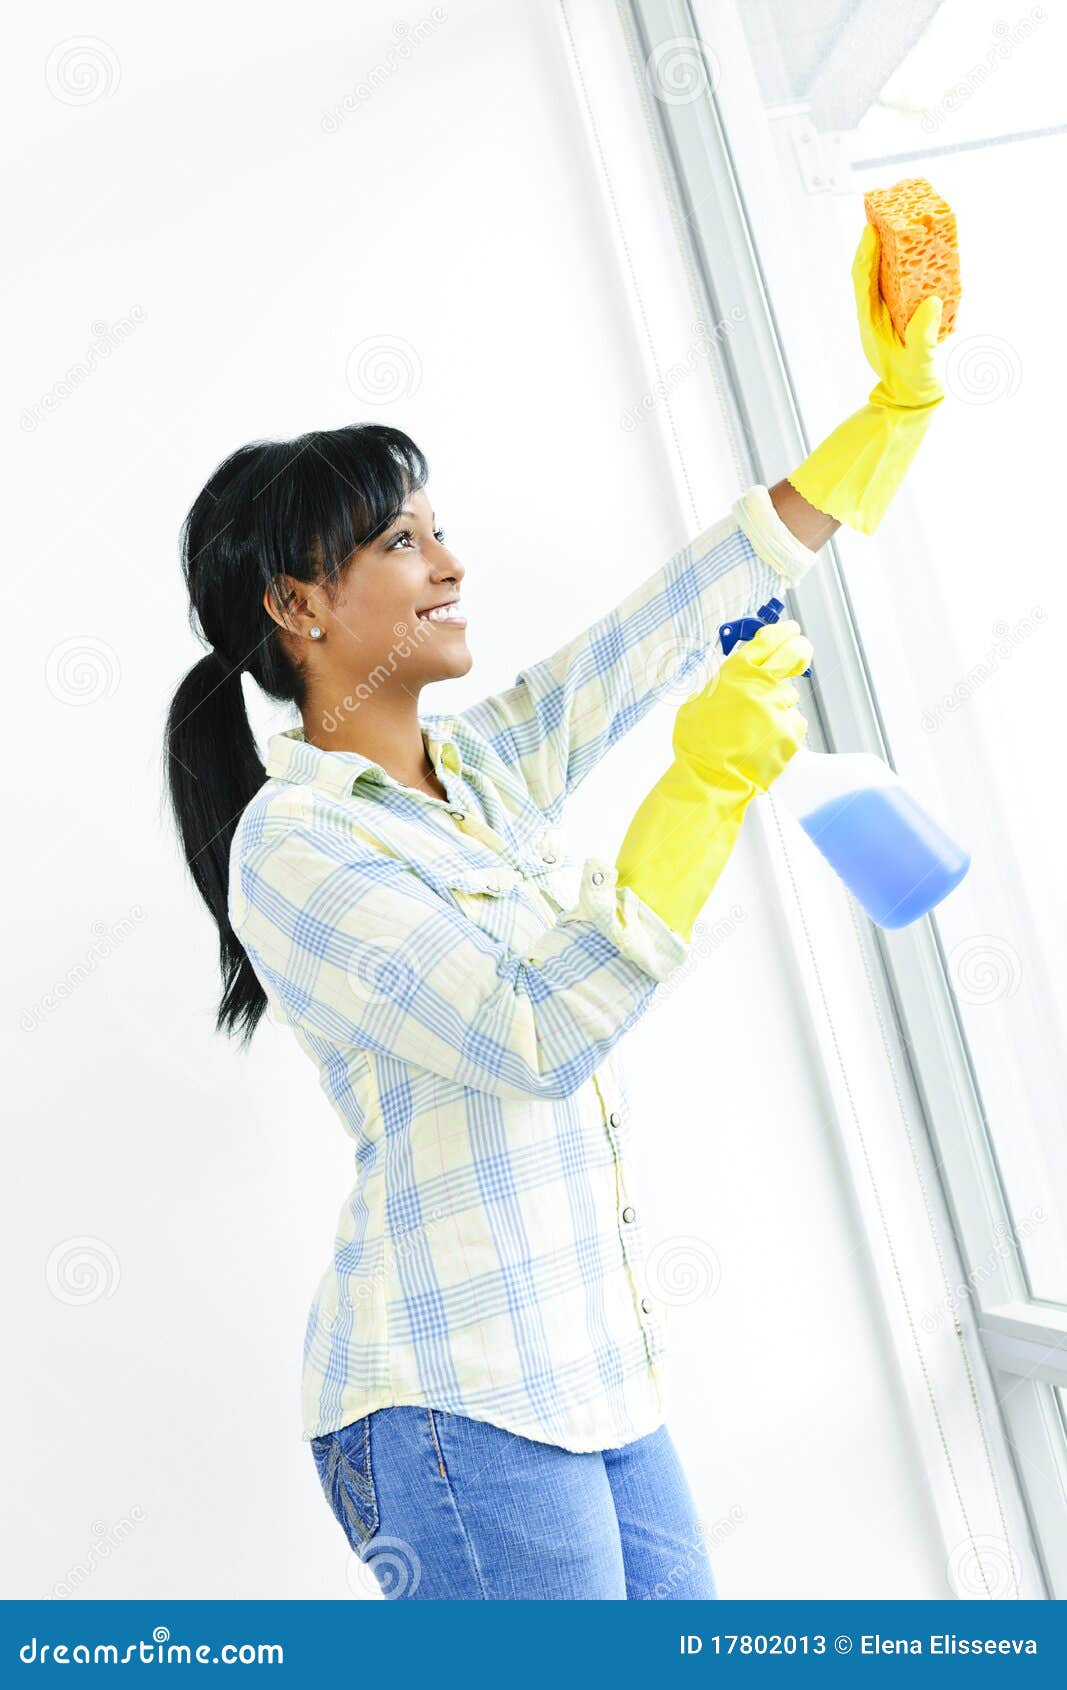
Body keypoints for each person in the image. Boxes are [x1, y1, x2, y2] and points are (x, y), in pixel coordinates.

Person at [164, 225, 945, 1600]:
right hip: (452, 1395)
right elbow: (533, 1031)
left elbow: (658, 631)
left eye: (438, 528)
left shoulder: (481, 767)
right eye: (400, 541)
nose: (450, 564)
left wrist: (882, 426)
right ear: (298, 604)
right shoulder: (292, 847)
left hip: (594, 1375)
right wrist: (702, 795)